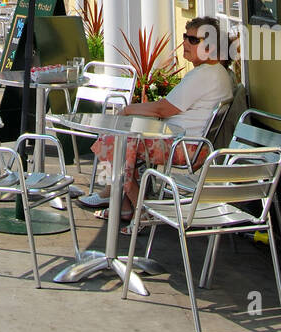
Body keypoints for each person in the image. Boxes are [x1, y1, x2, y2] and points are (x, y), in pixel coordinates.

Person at [90, 16, 235, 227]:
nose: (185, 42)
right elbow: (168, 107)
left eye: (193, 40)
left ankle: (134, 203)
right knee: (122, 136)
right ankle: (121, 200)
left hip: (185, 146)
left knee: (118, 139)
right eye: (186, 37)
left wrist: (128, 109)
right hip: (187, 141)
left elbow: (163, 108)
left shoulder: (206, 75)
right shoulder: (216, 73)